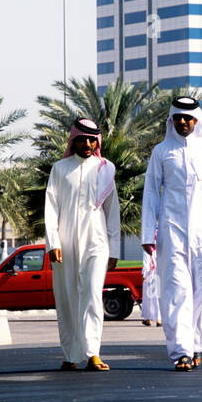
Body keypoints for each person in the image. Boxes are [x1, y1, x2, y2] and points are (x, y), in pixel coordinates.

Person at [141, 96, 202, 371]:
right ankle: (181, 351)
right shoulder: (161, 151)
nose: (183, 122)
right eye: (178, 117)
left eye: (188, 117)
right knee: (176, 292)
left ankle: (197, 344)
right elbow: (150, 193)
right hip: (172, 232)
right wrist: (148, 234)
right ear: (171, 120)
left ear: (197, 119)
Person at [44, 117, 120, 372]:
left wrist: (115, 248)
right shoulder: (60, 168)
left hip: (96, 240)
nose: (87, 144)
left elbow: (113, 211)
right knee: (67, 297)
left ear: (97, 141)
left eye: (91, 140)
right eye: (82, 139)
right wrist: (52, 243)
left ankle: (92, 352)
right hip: (65, 241)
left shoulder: (105, 168)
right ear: (73, 140)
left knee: (91, 293)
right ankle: (70, 354)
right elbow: (51, 208)